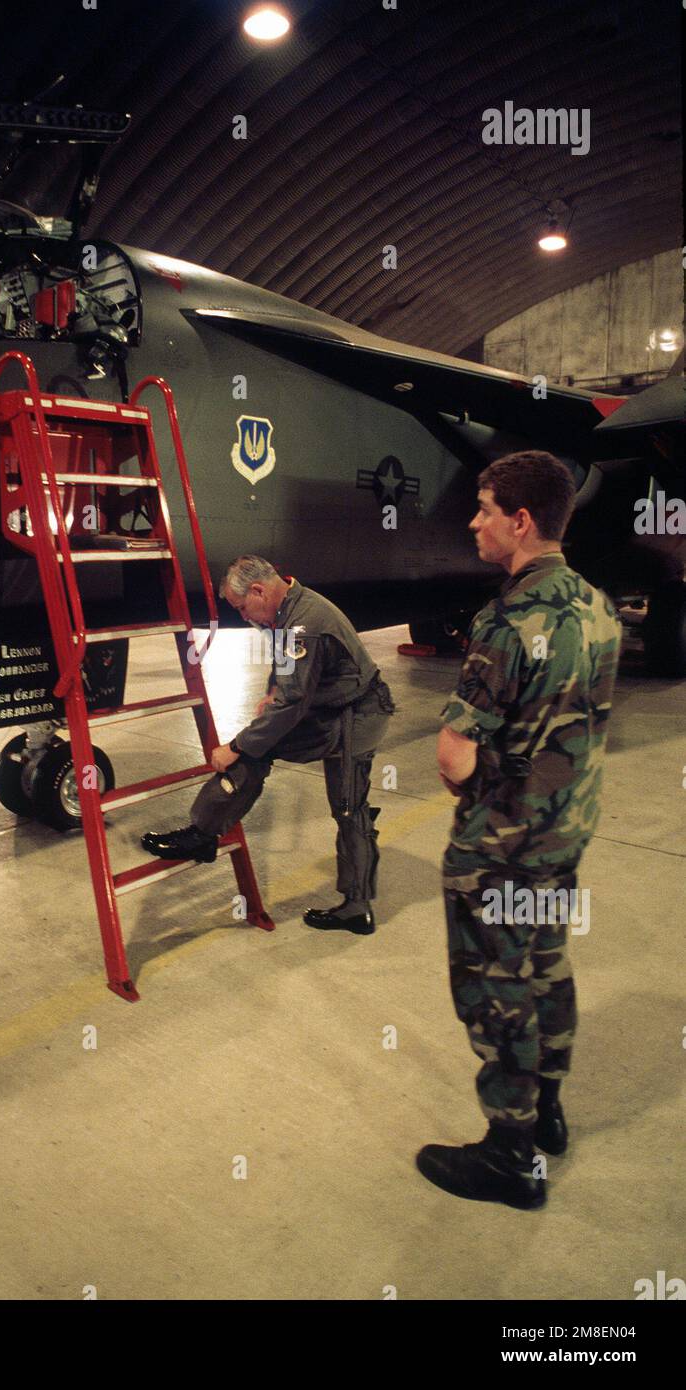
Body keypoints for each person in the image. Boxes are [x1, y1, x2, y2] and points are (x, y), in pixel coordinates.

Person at [417, 450, 622, 1210]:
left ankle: (510, 1154)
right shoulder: (596, 606)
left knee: (494, 988)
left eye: (483, 509)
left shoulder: (508, 621)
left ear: (521, 521)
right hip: (566, 833)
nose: (474, 522)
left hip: (500, 850)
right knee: (545, 968)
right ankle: (549, 1113)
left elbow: (454, 754)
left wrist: (477, 795)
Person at [141, 556, 395, 934]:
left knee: (343, 804)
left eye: (243, 608)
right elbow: (289, 676)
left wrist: (238, 745)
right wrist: (275, 691)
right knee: (332, 796)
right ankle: (204, 833)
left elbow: (294, 704)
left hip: (357, 715)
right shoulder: (292, 605)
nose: (244, 617)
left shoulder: (302, 624)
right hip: (337, 707)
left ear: (259, 591)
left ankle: (356, 906)